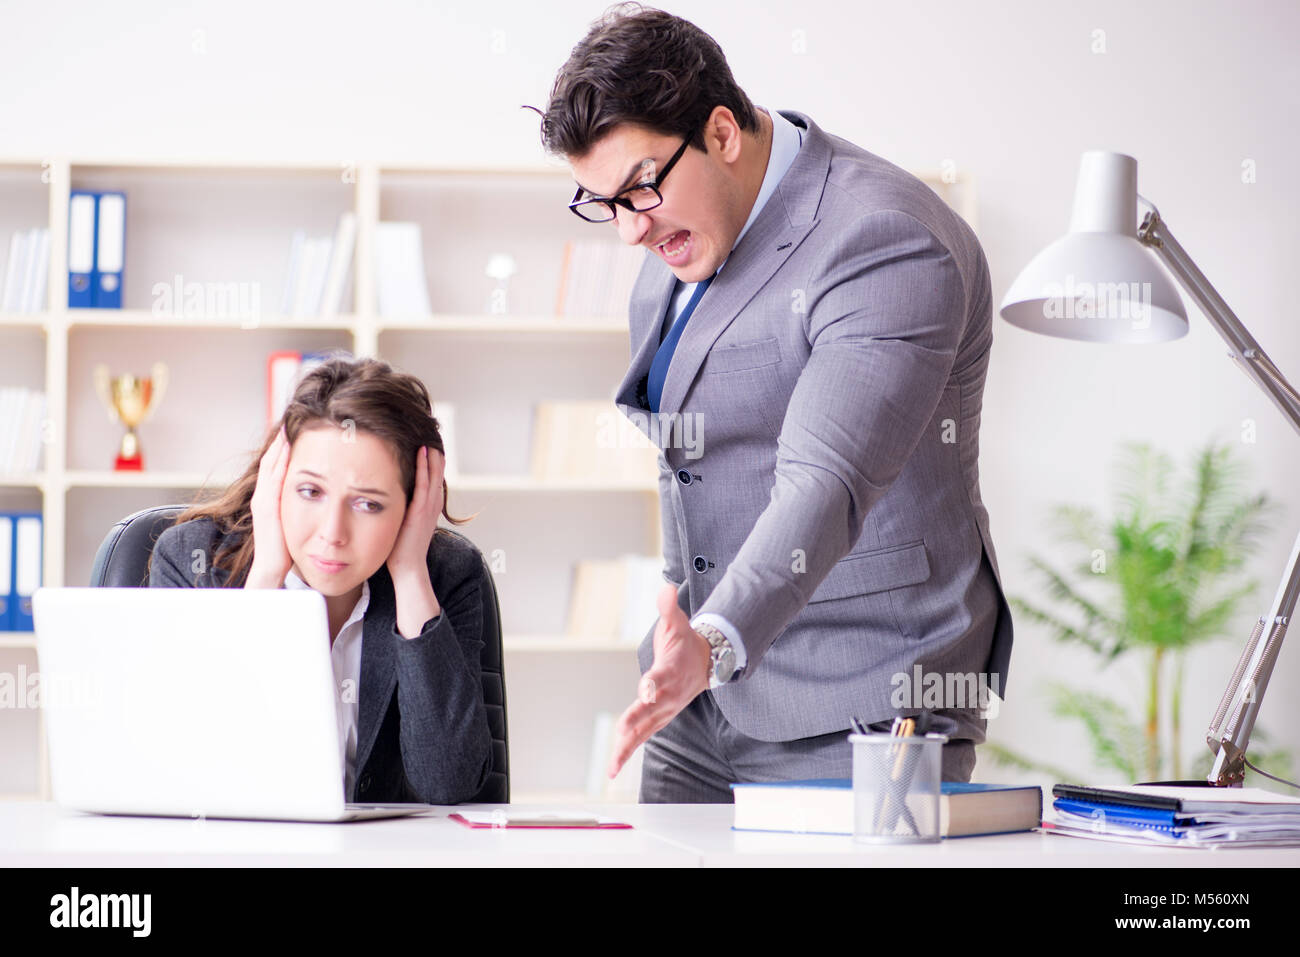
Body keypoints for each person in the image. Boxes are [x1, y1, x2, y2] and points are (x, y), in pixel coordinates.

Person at [535, 4, 1014, 802]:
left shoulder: (885, 237)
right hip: (701, 695)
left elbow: (826, 479)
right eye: (602, 204)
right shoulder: (675, 237)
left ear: (721, 132)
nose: (626, 233)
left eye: (638, 189)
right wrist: (688, 643)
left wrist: (715, 640)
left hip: (862, 694)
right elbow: (689, 457)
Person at [148, 354, 493, 805]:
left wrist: (410, 576)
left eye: (368, 504)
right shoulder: (191, 563)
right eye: (310, 492)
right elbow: (191, 770)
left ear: (412, 507)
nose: (332, 534)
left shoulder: (445, 575)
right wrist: (266, 578)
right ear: (276, 482)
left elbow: (448, 783)